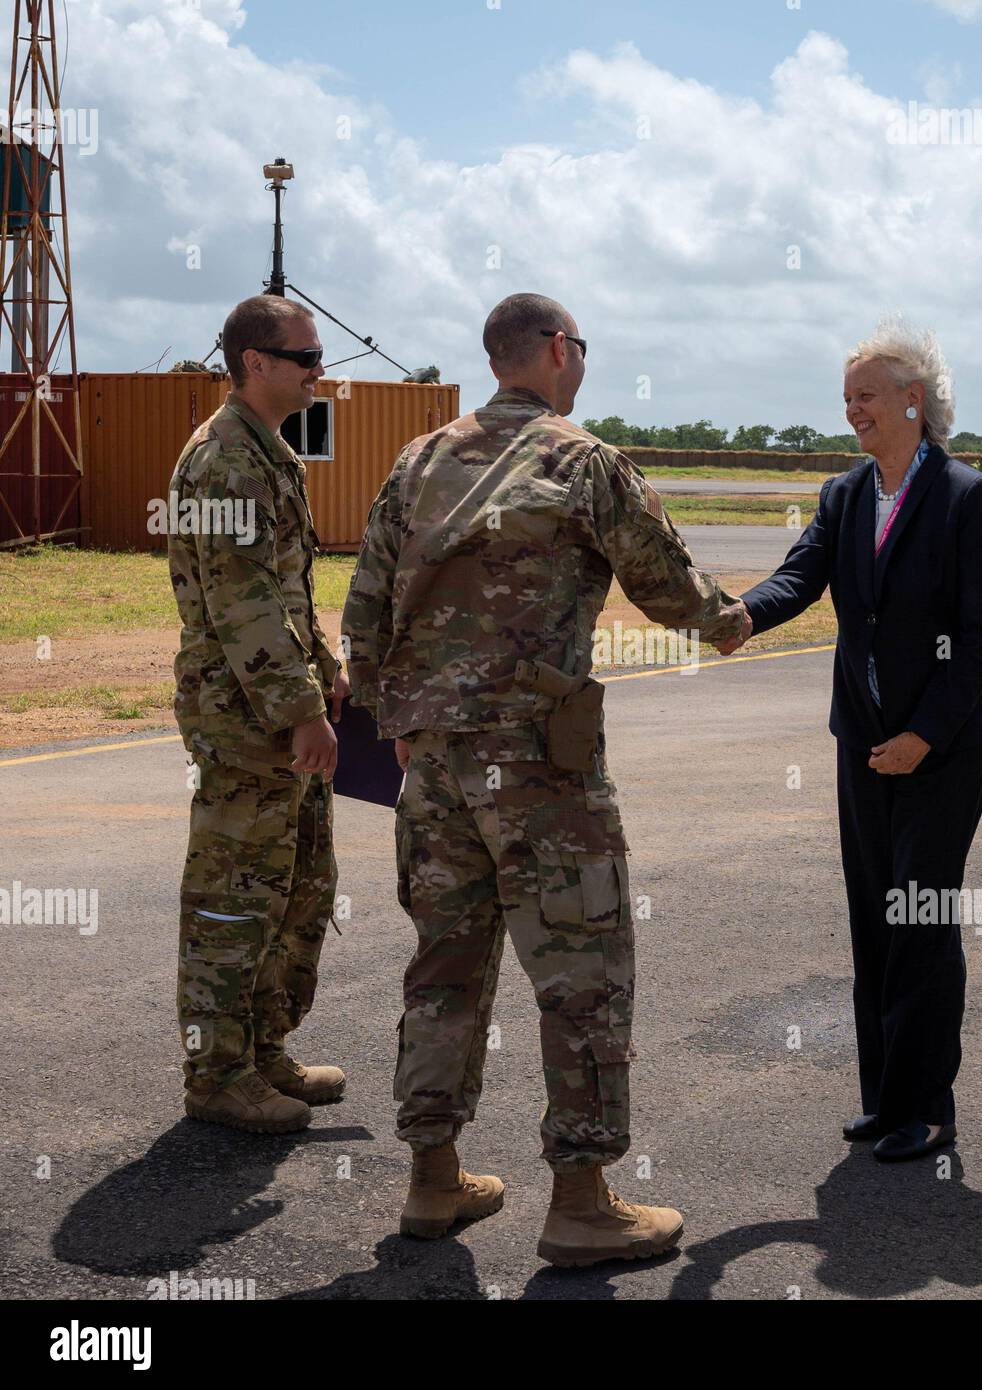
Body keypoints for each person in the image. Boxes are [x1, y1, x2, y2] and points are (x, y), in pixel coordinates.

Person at [342, 292, 750, 1264]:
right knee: (582, 974)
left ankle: (432, 1179)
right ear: (559, 349)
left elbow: (364, 614)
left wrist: (399, 724)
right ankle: (579, 1200)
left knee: (443, 970)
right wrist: (729, 621)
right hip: (540, 767)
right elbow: (667, 586)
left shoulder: (417, 460)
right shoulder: (582, 460)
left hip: (432, 765)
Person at [721, 318, 982, 1162]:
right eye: (846, 397)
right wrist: (736, 616)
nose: (853, 410)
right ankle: (884, 1099)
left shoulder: (967, 497)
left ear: (913, 400)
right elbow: (799, 576)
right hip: (864, 735)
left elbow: (980, 637)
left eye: (867, 395)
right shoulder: (844, 495)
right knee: (873, 913)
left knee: (920, 914)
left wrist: (925, 733)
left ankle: (928, 1107)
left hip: (945, 743)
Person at [168, 294, 349, 1134]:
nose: (321, 371)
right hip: (245, 720)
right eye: (306, 357)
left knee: (296, 888)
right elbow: (242, 604)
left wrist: (327, 672)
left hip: (275, 710)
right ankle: (216, 1074)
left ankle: (262, 1049)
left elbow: (288, 594)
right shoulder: (224, 461)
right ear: (256, 362)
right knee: (233, 899)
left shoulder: (267, 451)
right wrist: (301, 708)